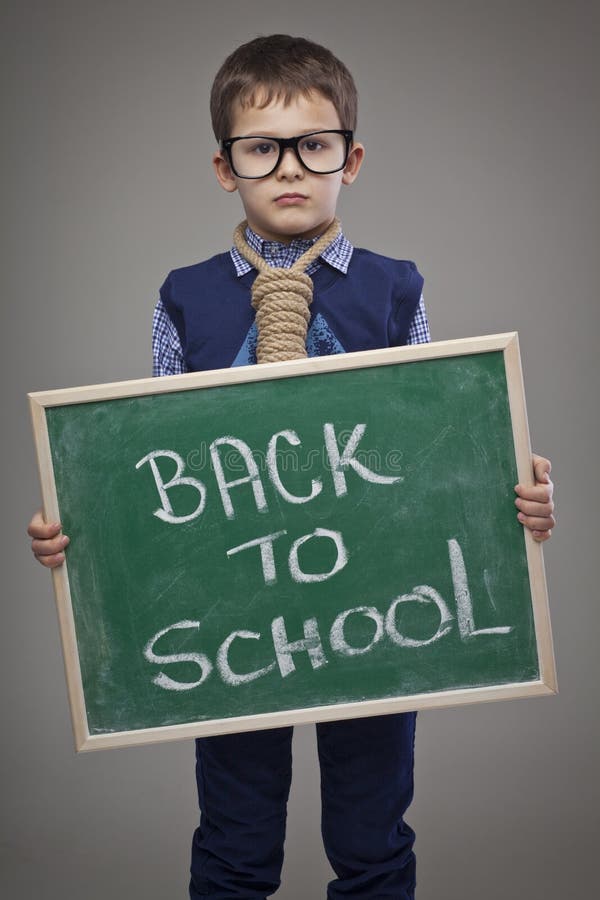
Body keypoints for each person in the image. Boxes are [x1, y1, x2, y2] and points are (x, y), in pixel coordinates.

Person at [27, 34, 556, 900]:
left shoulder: (396, 289)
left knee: (372, 831)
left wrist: (513, 490)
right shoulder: (184, 297)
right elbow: (146, 456)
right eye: (261, 148)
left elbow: (437, 439)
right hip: (229, 615)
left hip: (383, 605)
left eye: (314, 145)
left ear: (350, 157)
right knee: (235, 838)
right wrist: (78, 530)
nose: (289, 169)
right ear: (223, 165)